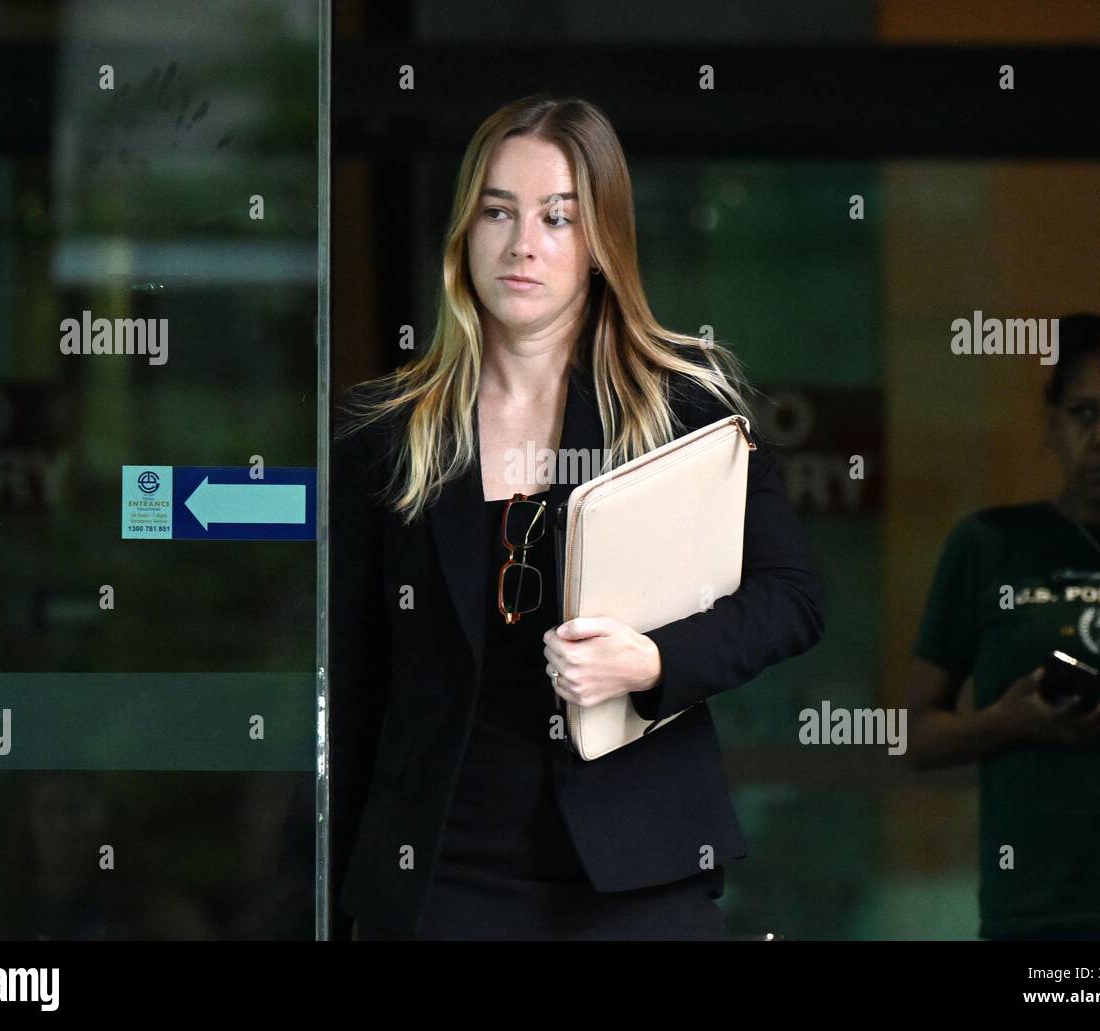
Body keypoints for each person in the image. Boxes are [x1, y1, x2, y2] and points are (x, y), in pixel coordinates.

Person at [330, 94, 824, 940]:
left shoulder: (680, 408)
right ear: (465, 230)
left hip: (636, 880)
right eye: (499, 212)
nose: (522, 243)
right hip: (443, 880)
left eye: (557, 218)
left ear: (601, 243)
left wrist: (653, 660)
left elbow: (792, 598)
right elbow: (354, 684)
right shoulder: (386, 433)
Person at [906, 313, 1100, 939]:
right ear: (1052, 426)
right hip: (1039, 906)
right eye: (1083, 413)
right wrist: (1007, 722)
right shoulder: (992, 544)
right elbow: (917, 737)